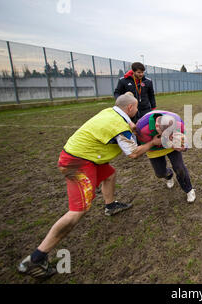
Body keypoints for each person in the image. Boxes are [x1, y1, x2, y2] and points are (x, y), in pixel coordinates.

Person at [17, 94, 161, 279]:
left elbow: (126, 127)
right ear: (131, 108)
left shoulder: (110, 113)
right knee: (78, 211)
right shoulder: (118, 125)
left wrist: (133, 128)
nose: (137, 109)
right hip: (78, 163)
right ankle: (37, 257)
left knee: (109, 174)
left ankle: (110, 205)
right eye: (135, 106)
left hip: (86, 157)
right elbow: (133, 153)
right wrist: (152, 143)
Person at [136, 110, 196, 203]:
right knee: (160, 173)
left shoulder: (178, 122)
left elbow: (185, 143)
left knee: (180, 168)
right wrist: (152, 143)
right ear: (157, 127)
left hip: (171, 146)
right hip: (154, 148)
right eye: (166, 134)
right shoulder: (141, 127)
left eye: (172, 133)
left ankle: (189, 189)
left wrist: (182, 147)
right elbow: (138, 150)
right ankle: (169, 175)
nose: (170, 136)